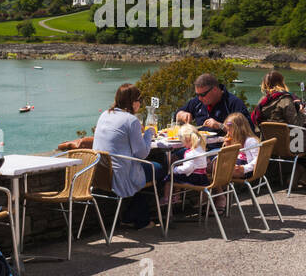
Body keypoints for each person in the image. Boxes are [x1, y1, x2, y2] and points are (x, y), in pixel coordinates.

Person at [94, 83, 162, 229]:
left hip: (100, 173)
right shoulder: (131, 120)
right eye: (140, 101)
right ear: (133, 102)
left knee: (148, 171)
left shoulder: (105, 114)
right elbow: (142, 154)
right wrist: (149, 133)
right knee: (160, 168)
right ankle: (140, 217)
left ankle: (136, 216)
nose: (140, 104)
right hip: (121, 174)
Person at [175, 73, 247, 130]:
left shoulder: (233, 103)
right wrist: (181, 114)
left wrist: (221, 126)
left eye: (203, 94)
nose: (200, 98)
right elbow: (177, 113)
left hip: (223, 146)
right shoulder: (197, 102)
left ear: (215, 90)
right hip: (199, 144)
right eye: (197, 94)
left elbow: (247, 130)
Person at [223, 112, 261, 179]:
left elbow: (258, 159)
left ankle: (218, 188)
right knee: (216, 166)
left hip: (247, 171)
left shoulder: (250, 141)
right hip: (236, 167)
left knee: (220, 171)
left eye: (229, 131)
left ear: (237, 130)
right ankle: (219, 188)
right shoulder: (235, 140)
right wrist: (227, 147)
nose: (227, 134)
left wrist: (244, 168)